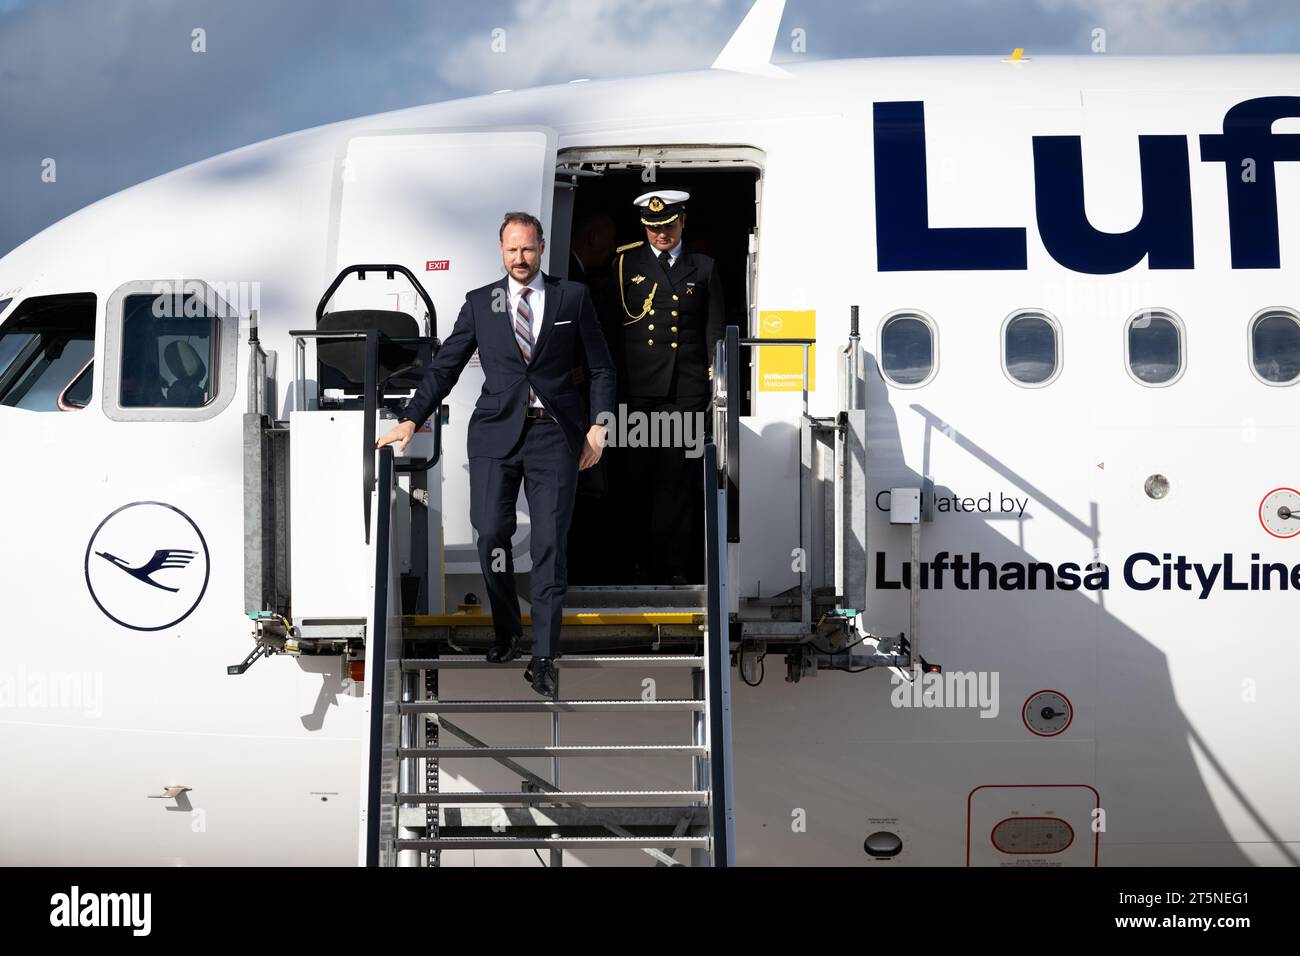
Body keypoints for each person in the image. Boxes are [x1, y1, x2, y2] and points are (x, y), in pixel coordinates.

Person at [376, 212, 616, 698]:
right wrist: (410, 416)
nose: (520, 259)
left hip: (555, 435)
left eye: (528, 249)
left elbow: (602, 368)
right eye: (512, 250)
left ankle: (545, 656)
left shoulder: (572, 297)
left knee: (550, 545)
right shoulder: (481, 303)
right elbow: (445, 367)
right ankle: (507, 627)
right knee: (491, 535)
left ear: (542, 248)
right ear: (501, 251)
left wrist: (599, 427)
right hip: (493, 437)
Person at [607, 189, 725, 584]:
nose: (662, 235)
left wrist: (714, 385)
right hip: (636, 394)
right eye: (654, 229)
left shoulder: (703, 267)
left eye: (669, 226)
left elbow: (713, 335)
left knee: (675, 485)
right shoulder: (625, 264)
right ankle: (633, 564)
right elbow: (610, 329)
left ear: (683, 220)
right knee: (634, 483)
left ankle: (672, 567)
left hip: (684, 394)